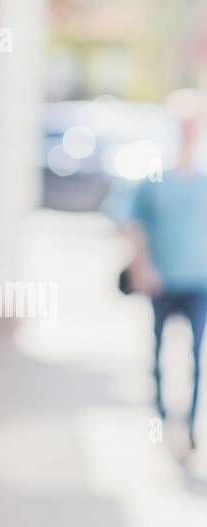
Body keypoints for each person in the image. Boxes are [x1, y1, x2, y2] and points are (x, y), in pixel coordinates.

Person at [109, 110, 207, 449]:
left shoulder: (203, 178)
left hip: (198, 281)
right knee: (160, 352)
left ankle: (191, 425)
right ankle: (163, 420)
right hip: (161, 281)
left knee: (196, 355)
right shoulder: (154, 178)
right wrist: (141, 268)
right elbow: (128, 221)